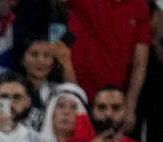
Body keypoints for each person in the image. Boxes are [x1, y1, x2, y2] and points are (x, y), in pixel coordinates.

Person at [64, 0, 152, 134]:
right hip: (78, 95)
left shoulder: (139, 6)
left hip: (116, 103)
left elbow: (140, 62)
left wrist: (130, 105)